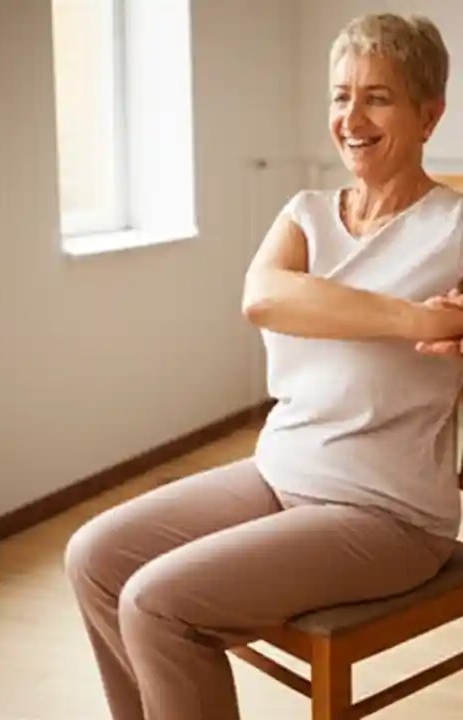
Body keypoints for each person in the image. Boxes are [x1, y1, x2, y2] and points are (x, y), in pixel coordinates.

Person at [64, 13, 463, 720]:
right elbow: (264, 296)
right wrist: (418, 318)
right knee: (94, 556)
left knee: (157, 604)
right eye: (341, 95)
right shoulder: (307, 213)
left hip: (388, 515)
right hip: (282, 472)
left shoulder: (455, 227)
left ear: (429, 113)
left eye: (379, 96)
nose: (352, 117)